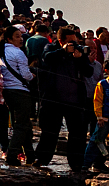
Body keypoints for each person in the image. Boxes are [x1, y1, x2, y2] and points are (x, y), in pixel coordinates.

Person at [33, 24, 95, 172]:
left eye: (75, 41)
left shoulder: (79, 52)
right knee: (50, 131)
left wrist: (80, 58)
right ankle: (41, 159)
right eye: (71, 42)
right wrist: (63, 51)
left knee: (78, 134)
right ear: (61, 41)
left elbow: (89, 72)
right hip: (54, 99)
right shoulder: (51, 49)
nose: (74, 45)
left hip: (75, 100)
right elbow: (47, 59)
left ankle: (76, 163)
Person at [0, 23, 35, 165]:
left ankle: (30, 155)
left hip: (7, 91)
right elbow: (26, 75)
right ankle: (12, 154)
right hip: (20, 91)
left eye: (21, 36)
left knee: (23, 124)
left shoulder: (1, 52)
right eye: (17, 36)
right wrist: (32, 75)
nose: (21, 39)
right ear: (9, 39)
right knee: (22, 125)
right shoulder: (18, 53)